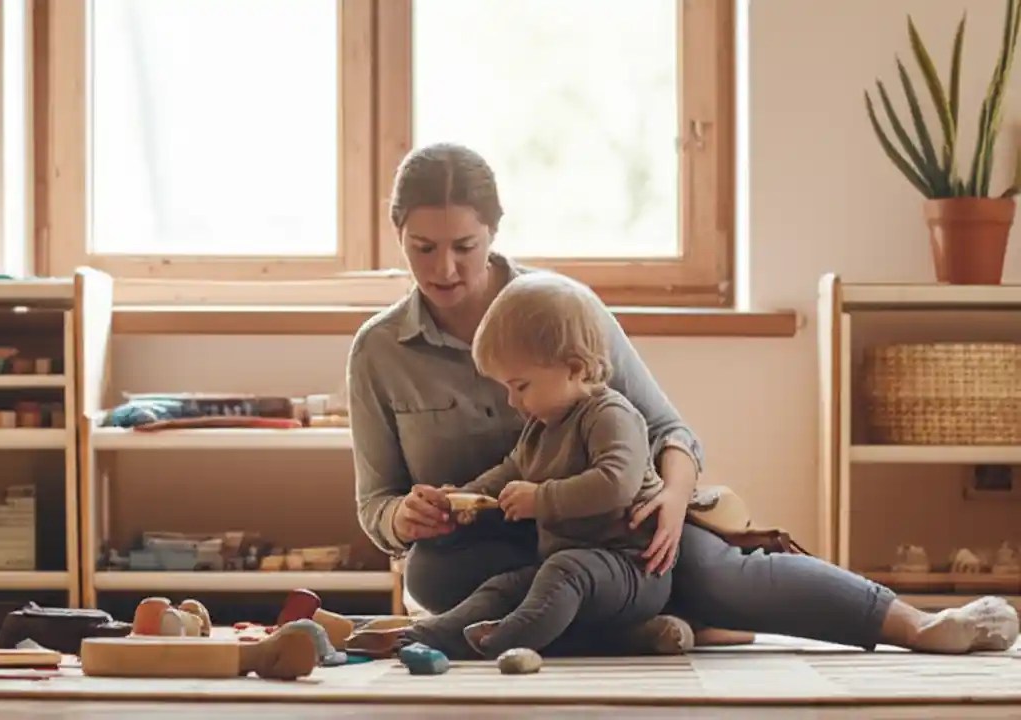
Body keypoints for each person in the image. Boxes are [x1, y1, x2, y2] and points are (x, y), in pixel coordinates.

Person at [346, 141, 1019, 656]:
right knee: (433, 577)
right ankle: (641, 629)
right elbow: (375, 504)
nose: (444, 269)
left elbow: (669, 430)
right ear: (397, 232)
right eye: (422, 248)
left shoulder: (559, 313)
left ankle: (920, 624)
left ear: (494, 229)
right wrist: (404, 518)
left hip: (616, 531)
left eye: (463, 246)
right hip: (499, 548)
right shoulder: (379, 352)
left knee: (721, 573)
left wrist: (669, 504)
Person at [394, 270, 682, 660]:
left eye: (521, 386)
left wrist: (541, 500)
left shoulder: (610, 414)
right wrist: (460, 497)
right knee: (507, 587)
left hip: (630, 567)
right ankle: (428, 634)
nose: (512, 401)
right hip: (570, 565)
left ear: (574, 368)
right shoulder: (541, 429)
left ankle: (496, 641)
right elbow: (509, 471)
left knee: (563, 572)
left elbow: (616, 484)